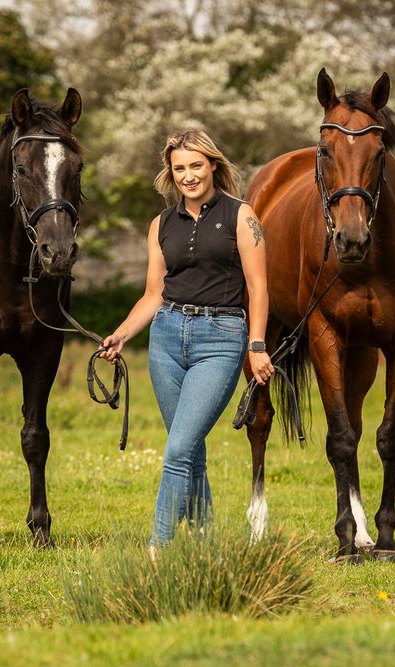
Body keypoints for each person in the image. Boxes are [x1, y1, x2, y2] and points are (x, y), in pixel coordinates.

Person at [99, 129, 274, 557]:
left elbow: (259, 288)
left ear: (213, 164)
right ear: (170, 173)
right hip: (165, 339)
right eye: (180, 169)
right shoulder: (160, 225)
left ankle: (157, 550)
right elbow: (154, 293)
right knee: (190, 449)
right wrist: (121, 334)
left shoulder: (242, 216)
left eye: (196, 165)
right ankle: (204, 546)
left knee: (177, 448)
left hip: (221, 338)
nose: (189, 176)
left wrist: (256, 345)